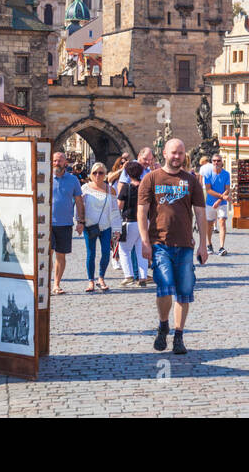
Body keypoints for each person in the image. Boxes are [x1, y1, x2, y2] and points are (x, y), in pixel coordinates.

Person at [138, 138, 208, 354]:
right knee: (165, 287)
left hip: (185, 244)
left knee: (184, 292)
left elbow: (200, 212)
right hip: (160, 243)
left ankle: (178, 335)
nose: (177, 156)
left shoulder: (191, 180)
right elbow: (141, 211)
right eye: (173, 152)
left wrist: (203, 244)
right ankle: (163, 324)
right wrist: (144, 241)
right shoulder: (151, 179)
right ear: (164, 154)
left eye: (181, 153)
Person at [116, 150, 154, 286]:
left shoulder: (126, 187)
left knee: (124, 249)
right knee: (141, 248)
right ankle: (143, 277)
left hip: (130, 220)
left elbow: (119, 205)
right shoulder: (145, 185)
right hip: (145, 220)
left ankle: (129, 275)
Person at [50, 152, 86, 295]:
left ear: (65, 163)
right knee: (47, 255)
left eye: (59, 161)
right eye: (54, 161)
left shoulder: (72, 180)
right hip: (46, 223)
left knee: (61, 255)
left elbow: (79, 201)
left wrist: (81, 221)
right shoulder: (44, 178)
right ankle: (45, 283)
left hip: (65, 223)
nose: (56, 163)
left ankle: (56, 284)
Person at [81, 162, 119, 292]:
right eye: (95, 173)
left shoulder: (110, 189)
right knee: (91, 254)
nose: (98, 175)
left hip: (106, 226)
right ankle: (90, 280)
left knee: (105, 254)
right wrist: (80, 222)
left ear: (105, 174)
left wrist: (117, 229)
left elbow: (115, 211)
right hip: (89, 226)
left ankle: (101, 277)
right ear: (91, 174)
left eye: (101, 172)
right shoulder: (85, 188)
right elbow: (79, 207)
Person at [202, 153, 232, 255]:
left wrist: (220, 200)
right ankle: (209, 244)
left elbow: (227, 189)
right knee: (209, 224)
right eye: (214, 160)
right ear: (212, 162)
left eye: (218, 160)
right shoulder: (207, 174)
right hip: (210, 203)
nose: (216, 162)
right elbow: (208, 190)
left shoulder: (226, 174)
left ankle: (221, 247)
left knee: (222, 222)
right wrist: (222, 196)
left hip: (222, 203)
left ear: (222, 162)